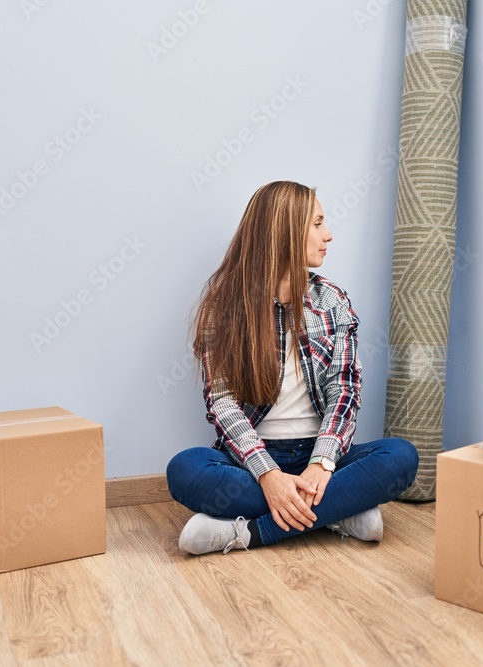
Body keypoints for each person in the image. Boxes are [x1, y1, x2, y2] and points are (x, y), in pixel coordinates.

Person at [167, 180, 419, 555]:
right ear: (284, 232)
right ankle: (338, 513)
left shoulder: (332, 300)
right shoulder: (224, 308)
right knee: (185, 470)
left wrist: (320, 465)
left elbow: (345, 390)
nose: (328, 235)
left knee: (400, 457)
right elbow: (222, 404)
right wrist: (268, 475)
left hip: (323, 453)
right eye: (317, 224)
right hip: (252, 458)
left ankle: (248, 533)